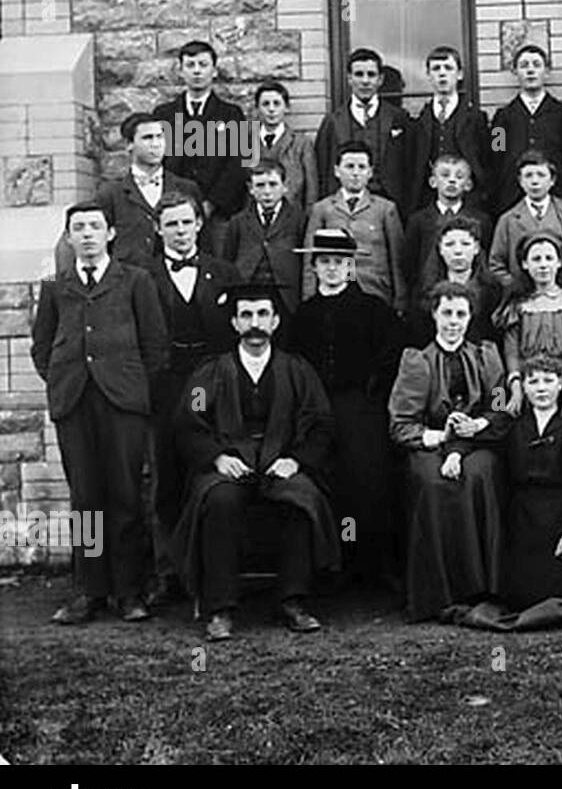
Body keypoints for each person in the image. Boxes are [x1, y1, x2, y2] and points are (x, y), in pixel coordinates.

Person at [172, 283, 339, 640]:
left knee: (300, 500)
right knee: (219, 501)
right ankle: (220, 608)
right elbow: (190, 421)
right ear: (234, 322)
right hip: (228, 466)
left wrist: (296, 460)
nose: (255, 323)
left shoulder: (298, 371)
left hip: (282, 464)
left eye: (263, 314)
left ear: (276, 321)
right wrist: (216, 456)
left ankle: (293, 600)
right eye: (246, 315)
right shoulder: (209, 374)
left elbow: (321, 422)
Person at [32, 201, 169, 625]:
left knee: (125, 495)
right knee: (86, 498)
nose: (87, 234)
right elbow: (42, 347)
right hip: (74, 402)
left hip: (122, 402)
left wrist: (129, 385)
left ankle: (129, 591)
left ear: (110, 234)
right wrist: (62, 381)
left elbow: (156, 346)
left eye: (95, 226)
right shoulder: (56, 285)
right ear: (69, 237)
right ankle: (89, 590)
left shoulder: (135, 280)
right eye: (79, 228)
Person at [388, 281, 511, 622]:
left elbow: (500, 407)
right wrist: (440, 438)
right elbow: (401, 424)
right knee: (432, 482)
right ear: (434, 315)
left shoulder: (487, 356)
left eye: (460, 314)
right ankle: (436, 594)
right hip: (430, 443)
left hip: (478, 444)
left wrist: (479, 426)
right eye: (447, 313)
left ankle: (484, 588)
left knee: (481, 475)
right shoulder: (417, 362)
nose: (453, 321)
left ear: (471, 317)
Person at [289, 229, 403, 588]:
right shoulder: (303, 315)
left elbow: (391, 358)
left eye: (339, 262)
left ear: (351, 267)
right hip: (316, 411)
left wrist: (370, 393)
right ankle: (333, 566)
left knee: (364, 485)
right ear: (315, 268)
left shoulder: (374, 311)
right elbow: (294, 365)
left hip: (361, 410)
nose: (333, 269)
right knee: (327, 483)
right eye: (325, 262)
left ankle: (368, 566)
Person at [143, 191, 239, 606]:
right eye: (172, 224)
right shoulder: (141, 277)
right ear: (158, 229)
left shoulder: (224, 272)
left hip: (210, 386)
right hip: (164, 385)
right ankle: (169, 572)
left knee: (211, 468)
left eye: (187, 223)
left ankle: (214, 570)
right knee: (166, 475)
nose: (181, 232)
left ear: (199, 225)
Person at [501, 354, 562, 610]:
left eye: (548, 380)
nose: (541, 388)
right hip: (523, 515)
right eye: (533, 382)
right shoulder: (515, 425)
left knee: (561, 590)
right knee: (522, 594)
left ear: (561, 384)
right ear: (523, 386)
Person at [72, 112, 203, 273]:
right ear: (129, 144)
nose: (156, 144)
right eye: (147, 138)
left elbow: (203, 241)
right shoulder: (110, 194)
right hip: (127, 283)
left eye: (160, 137)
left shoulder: (186, 189)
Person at [153, 39, 247, 252]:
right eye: (190, 65)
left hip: (219, 213)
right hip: (174, 211)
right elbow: (157, 159)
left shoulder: (232, 114)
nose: (197, 71)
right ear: (181, 71)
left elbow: (240, 164)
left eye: (203, 65)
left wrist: (211, 204)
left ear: (214, 71)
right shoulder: (164, 114)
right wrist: (176, 203)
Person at [494, 233, 562, 418]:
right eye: (536, 259)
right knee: (507, 416)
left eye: (549, 258)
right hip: (529, 383)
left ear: (559, 262)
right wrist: (516, 386)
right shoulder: (517, 306)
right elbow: (511, 352)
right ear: (525, 264)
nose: (543, 265)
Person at [302, 141, 406, 312]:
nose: (356, 173)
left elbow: (397, 260)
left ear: (370, 172)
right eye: (349, 166)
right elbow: (310, 259)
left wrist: (400, 300)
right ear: (337, 171)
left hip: (375, 292)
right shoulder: (322, 209)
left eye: (362, 167)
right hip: (332, 292)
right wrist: (309, 297)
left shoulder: (385, 209)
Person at [396, 46, 492, 218]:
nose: (442, 74)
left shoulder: (478, 118)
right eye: (436, 69)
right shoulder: (417, 121)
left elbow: (492, 154)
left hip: (469, 199)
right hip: (427, 199)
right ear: (428, 75)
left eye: (448, 68)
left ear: (460, 74)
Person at [313, 47, 408, 207]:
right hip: (344, 208)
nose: (365, 81)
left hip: (390, 205)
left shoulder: (398, 118)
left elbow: (409, 166)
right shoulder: (332, 121)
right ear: (349, 78)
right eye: (359, 74)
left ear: (380, 79)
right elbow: (322, 169)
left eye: (371, 74)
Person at [487, 43, 562, 215]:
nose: (530, 70)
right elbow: (496, 158)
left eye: (536, 65)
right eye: (524, 66)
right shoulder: (502, 118)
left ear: (546, 72)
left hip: (555, 198)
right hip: (512, 199)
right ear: (515, 72)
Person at [489, 149, 562, 295]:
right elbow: (496, 264)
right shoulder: (508, 220)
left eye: (541, 175)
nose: (535, 181)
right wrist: (515, 286)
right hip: (523, 298)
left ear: (552, 180)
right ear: (520, 181)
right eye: (528, 176)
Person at [401, 154, 493, 306]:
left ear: (468, 184)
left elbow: (485, 260)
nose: (452, 180)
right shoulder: (418, 220)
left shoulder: (481, 220)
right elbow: (409, 263)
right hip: (428, 296)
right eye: (445, 175)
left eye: (459, 176)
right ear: (433, 181)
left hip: (472, 295)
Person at [220, 158, 305, 318]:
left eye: (273, 184)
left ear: (285, 187)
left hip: (285, 295)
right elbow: (227, 261)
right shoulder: (238, 221)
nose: (267, 192)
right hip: (248, 292)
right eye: (260, 185)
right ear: (251, 189)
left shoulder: (299, 219)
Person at [402, 215, 500, 348]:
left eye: (465, 244)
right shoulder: (425, 290)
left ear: (476, 248)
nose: (458, 251)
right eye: (450, 244)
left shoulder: (493, 290)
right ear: (440, 249)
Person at [253, 81, 317, 213]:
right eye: (265, 104)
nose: (271, 109)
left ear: (286, 107)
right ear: (257, 109)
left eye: (277, 104)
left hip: (292, 219)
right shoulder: (246, 141)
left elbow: (311, 190)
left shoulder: (302, 143)